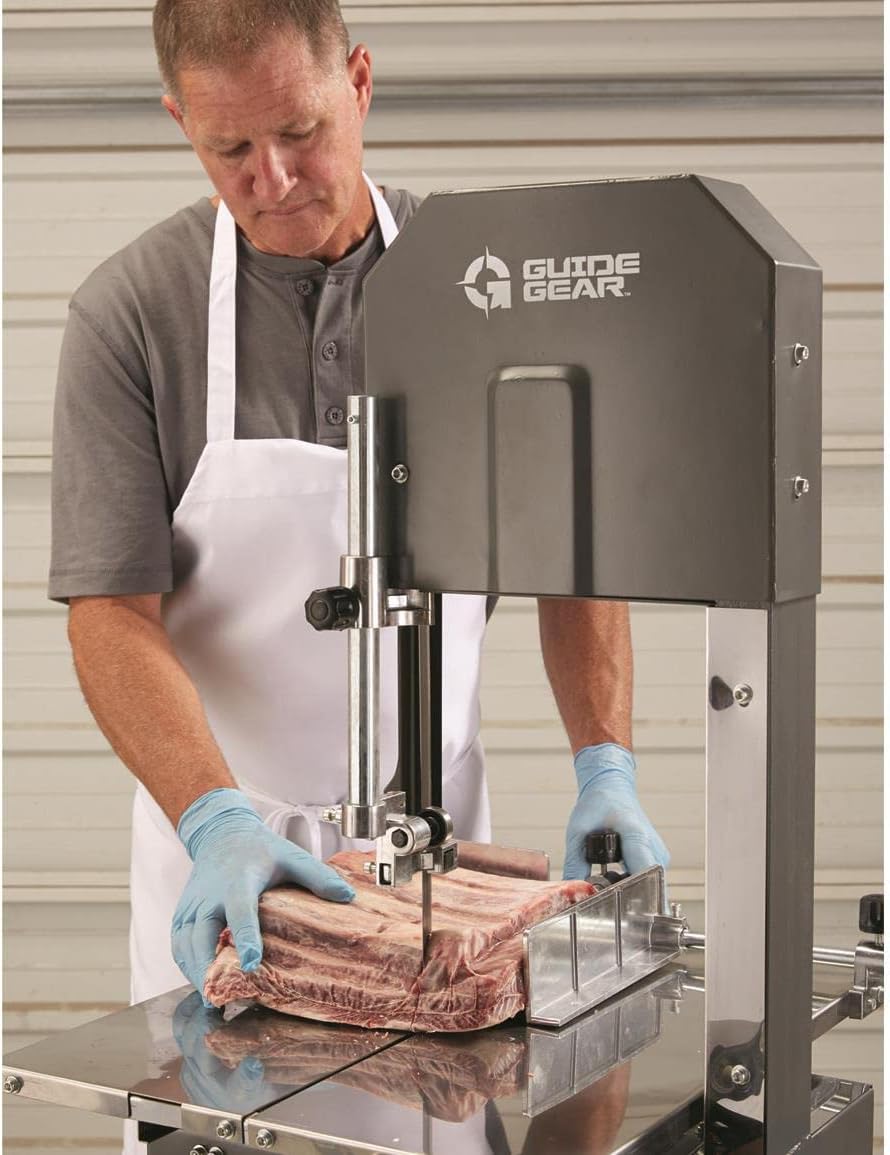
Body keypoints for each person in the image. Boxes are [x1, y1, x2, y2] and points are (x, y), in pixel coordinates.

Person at [49, 0, 669, 1018]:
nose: (273, 177)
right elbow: (109, 614)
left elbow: (572, 557)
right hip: (225, 873)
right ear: (179, 121)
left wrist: (605, 763)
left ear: (360, 83)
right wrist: (213, 820)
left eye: (299, 131)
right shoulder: (131, 314)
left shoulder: (486, 286)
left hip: (437, 860)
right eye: (230, 149)